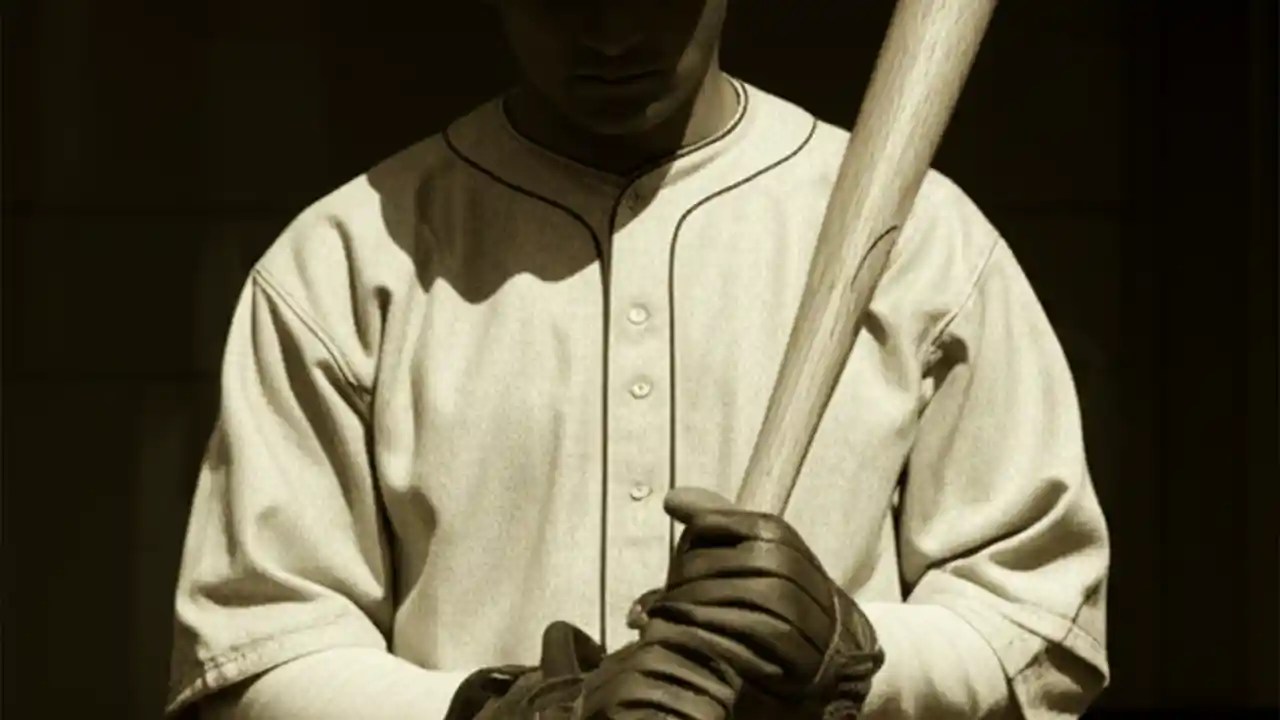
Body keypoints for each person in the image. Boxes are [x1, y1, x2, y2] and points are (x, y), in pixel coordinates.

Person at [166, 1, 1111, 718]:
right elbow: (254, 658)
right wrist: (518, 711)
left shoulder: (928, 242)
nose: (612, 33)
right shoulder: (346, 259)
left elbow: (1044, 630)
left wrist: (858, 651)